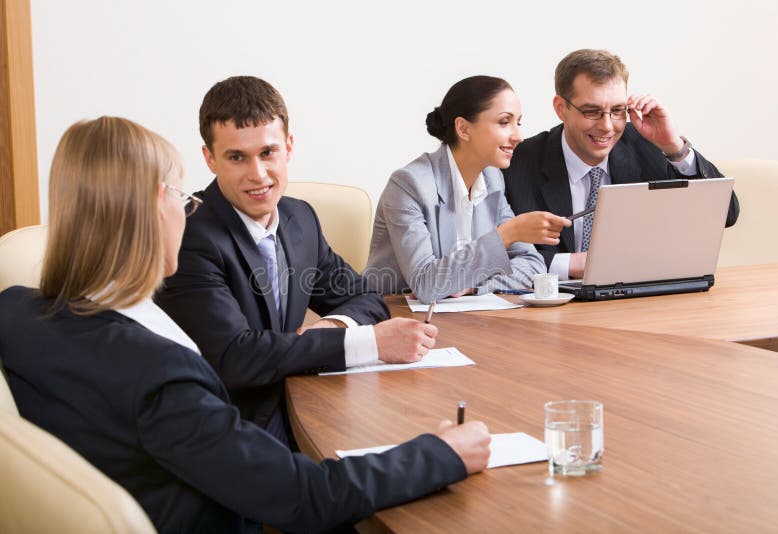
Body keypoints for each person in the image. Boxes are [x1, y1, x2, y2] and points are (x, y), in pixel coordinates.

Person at [0, 116, 491, 533]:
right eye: (180, 195)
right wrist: (440, 453)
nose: (189, 208)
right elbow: (305, 497)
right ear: (156, 204)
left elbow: (357, 293)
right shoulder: (158, 375)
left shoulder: (14, 311)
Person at [155, 77, 437, 444]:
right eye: (237, 157)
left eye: (268, 152)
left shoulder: (299, 218)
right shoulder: (190, 234)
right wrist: (368, 343)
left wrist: (333, 328)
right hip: (231, 428)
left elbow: (365, 298)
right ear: (209, 159)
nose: (257, 174)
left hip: (309, 401)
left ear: (288, 147)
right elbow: (235, 357)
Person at [503, 49, 740, 280]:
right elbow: (492, 250)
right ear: (561, 108)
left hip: (643, 301)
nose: (607, 126)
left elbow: (726, 214)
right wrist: (571, 264)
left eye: (618, 111)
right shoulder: (518, 162)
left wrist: (674, 148)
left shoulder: (648, 144)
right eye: (592, 112)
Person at [365, 75, 567, 304]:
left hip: (464, 316)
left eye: (518, 123)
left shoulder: (493, 180)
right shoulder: (408, 185)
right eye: (504, 122)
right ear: (463, 128)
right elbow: (425, 284)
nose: (518, 136)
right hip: (392, 314)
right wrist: (507, 234)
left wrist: (473, 285)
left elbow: (532, 267)